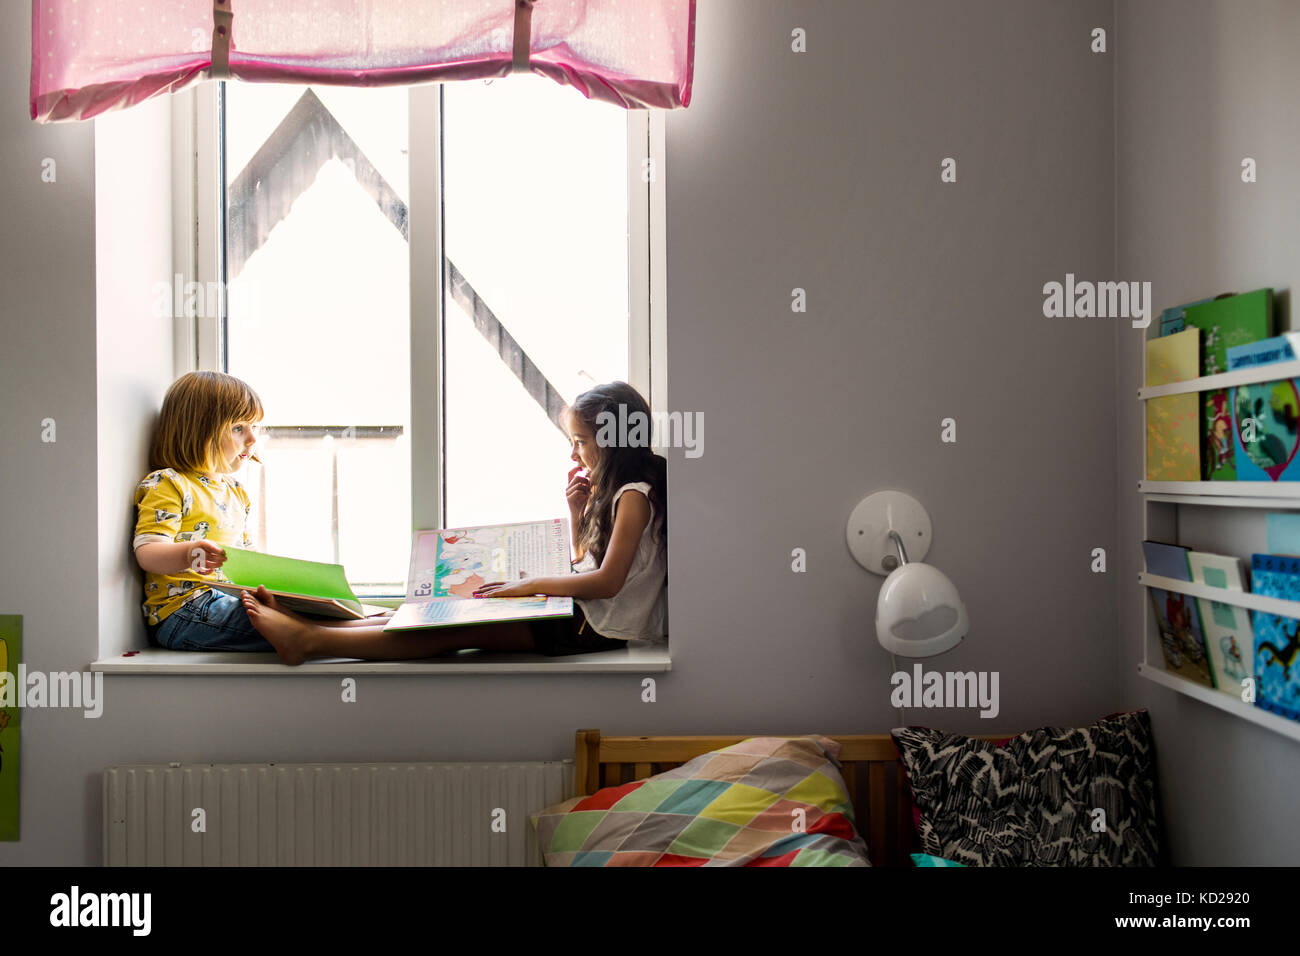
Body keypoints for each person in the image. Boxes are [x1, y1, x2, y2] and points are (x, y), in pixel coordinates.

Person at [240, 381, 669, 665]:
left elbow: (609, 582)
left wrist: (532, 584)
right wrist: (578, 517)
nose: (574, 455)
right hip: (584, 614)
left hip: (593, 628)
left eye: (580, 442)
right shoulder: (621, 490)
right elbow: (591, 564)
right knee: (432, 612)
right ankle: (313, 627)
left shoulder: (634, 494)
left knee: (450, 629)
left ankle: (311, 641)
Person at [133, 370, 274, 652]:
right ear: (199, 430)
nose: (252, 439)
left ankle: (354, 628)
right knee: (277, 621)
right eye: (239, 428)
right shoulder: (170, 483)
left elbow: (246, 557)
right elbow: (147, 553)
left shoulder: (235, 491)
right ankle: (309, 637)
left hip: (225, 600)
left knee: (291, 611)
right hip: (183, 610)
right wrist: (189, 552)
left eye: (254, 428)